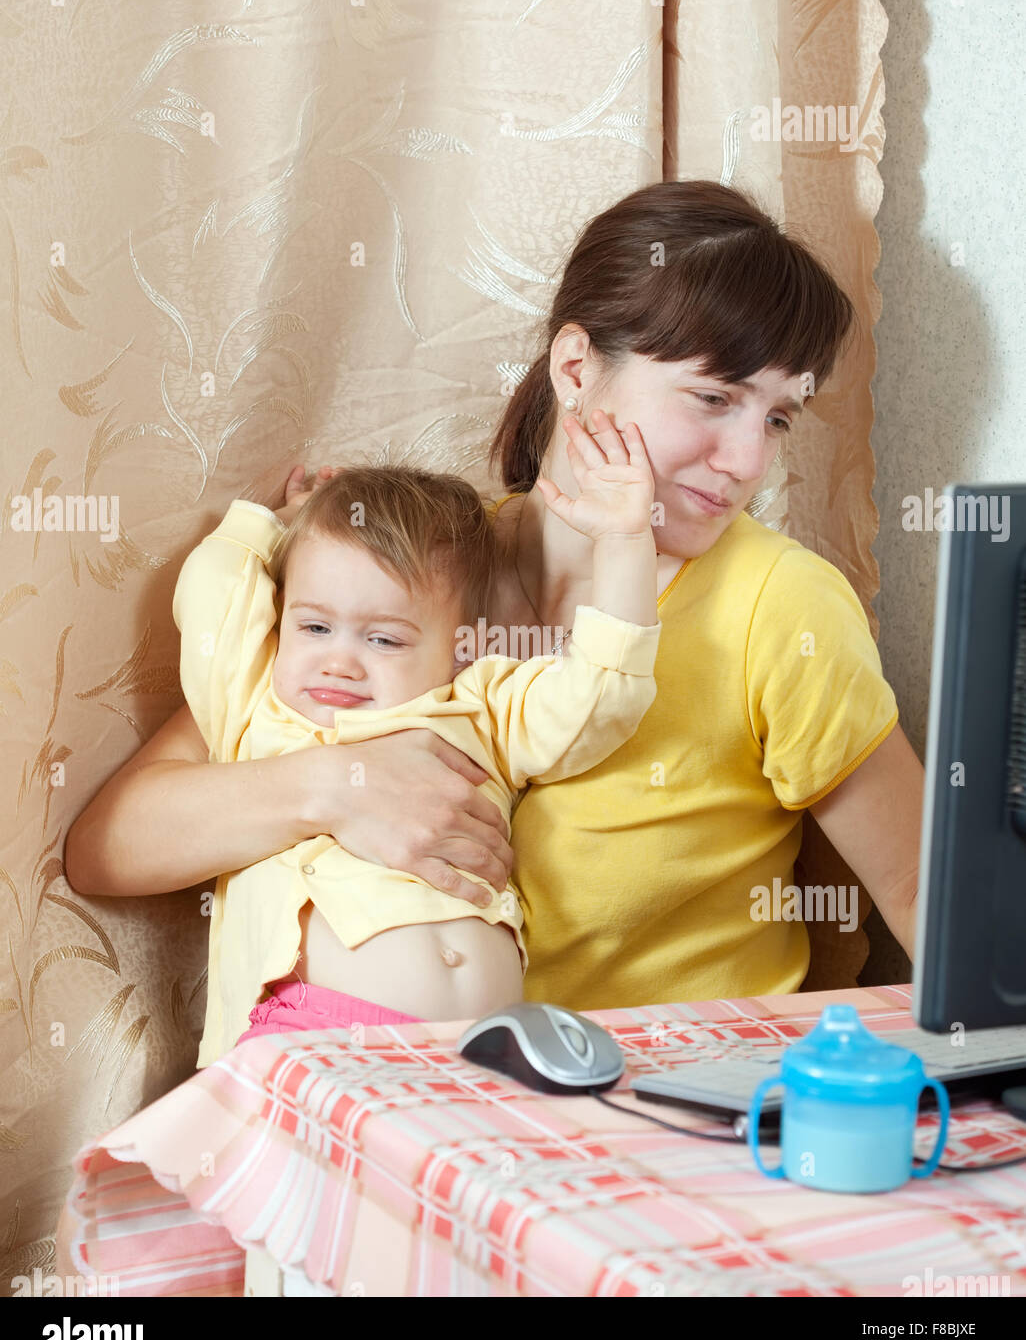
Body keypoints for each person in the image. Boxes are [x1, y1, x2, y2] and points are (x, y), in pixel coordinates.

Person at [58, 177, 924, 1283]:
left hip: (662, 1156)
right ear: (575, 371)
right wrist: (340, 784)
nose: (749, 462)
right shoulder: (415, 567)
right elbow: (110, 844)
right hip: (433, 1144)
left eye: (776, 416)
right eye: (712, 400)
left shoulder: (776, 605)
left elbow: (930, 913)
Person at [174, 456, 660, 1068]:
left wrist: (623, 544)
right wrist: (279, 525)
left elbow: (602, 696)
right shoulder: (257, 710)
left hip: (485, 1053)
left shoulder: (480, 708)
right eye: (316, 626)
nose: (340, 662)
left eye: (384, 639)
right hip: (314, 1035)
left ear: (466, 648)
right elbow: (210, 593)